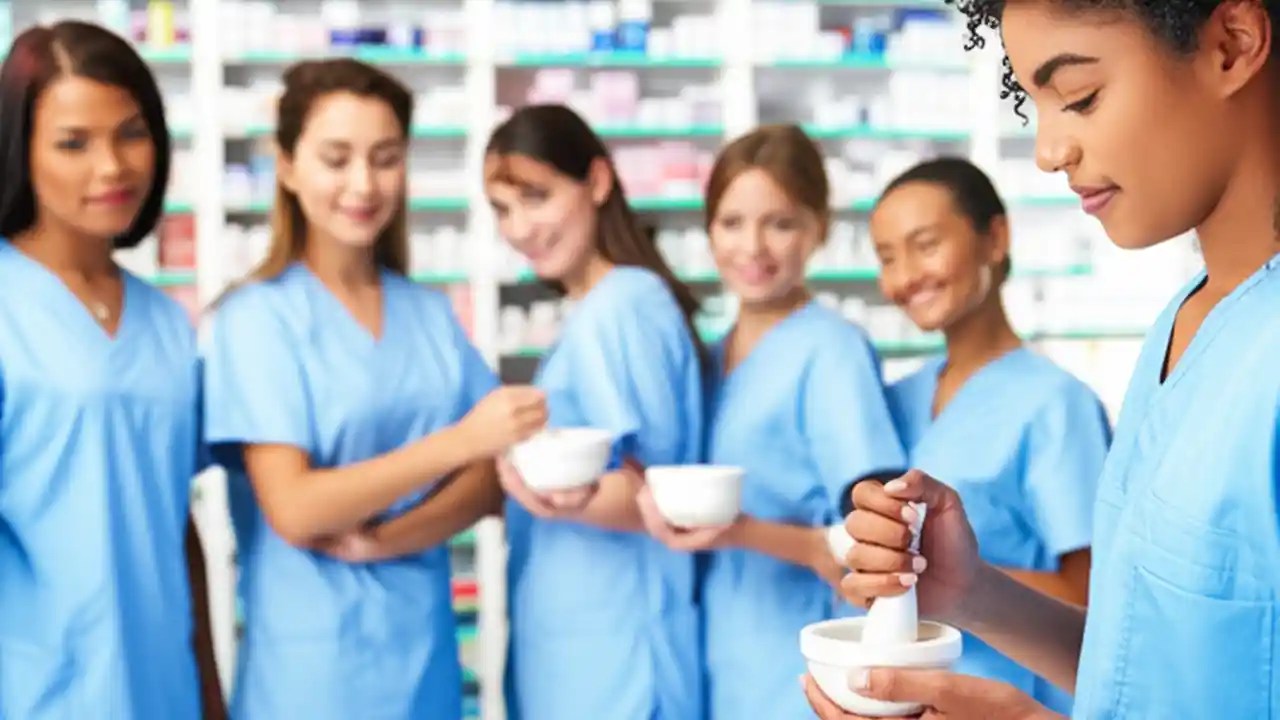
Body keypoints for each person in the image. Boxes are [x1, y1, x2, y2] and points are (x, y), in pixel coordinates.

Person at [806, 1, 1280, 718]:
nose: (1050, 151)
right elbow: (1146, 664)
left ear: (1231, 45)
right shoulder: (1184, 327)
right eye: (1035, 106)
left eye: (1080, 98)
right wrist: (970, 592)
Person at [203, 59, 547, 720]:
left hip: (424, 669)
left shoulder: (426, 314)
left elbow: (495, 473)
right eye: (336, 158)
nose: (363, 183)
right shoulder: (256, 319)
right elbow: (297, 509)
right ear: (287, 165)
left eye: (385, 158)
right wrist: (458, 443)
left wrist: (389, 538)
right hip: (312, 679)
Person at [636, 124, 908, 720]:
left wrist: (738, 531)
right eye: (731, 223)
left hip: (796, 665)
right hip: (712, 661)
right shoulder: (706, 358)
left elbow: (872, 542)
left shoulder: (832, 351)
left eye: (780, 223)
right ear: (708, 230)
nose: (752, 247)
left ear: (819, 229)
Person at [0, 21, 223, 719]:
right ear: (20, 149)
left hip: (162, 687)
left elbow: (172, 516)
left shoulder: (162, 321)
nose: (112, 167)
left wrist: (210, 691)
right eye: (74, 142)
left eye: (131, 132)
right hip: (40, 689)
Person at [484, 103, 708, 720]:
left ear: (599, 183)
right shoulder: (595, 310)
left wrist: (552, 490)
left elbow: (657, 494)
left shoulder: (623, 305)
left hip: (620, 662)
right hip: (585, 656)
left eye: (537, 196)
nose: (519, 227)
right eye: (503, 209)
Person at [868, 156, 1110, 714]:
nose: (904, 277)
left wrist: (952, 579)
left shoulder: (1055, 403)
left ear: (995, 238)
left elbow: (1095, 599)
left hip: (1003, 698)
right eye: (886, 257)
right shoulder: (895, 398)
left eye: (925, 244)